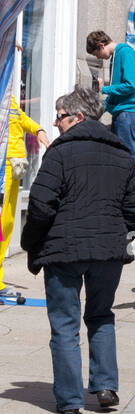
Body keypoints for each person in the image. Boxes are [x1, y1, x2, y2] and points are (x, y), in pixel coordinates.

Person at [21, 87, 135, 414]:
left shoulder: (60, 153)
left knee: (65, 323)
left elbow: (41, 204)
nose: (55, 123)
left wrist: (31, 242)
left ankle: (70, 399)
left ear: (77, 117)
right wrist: (122, 236)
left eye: (59, 116)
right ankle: (105, 386)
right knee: (101, 315)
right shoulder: (122, 152)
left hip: (64, 250)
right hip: (107, 251)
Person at [0, 96, 49, 299]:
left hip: (15, 167)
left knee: (7, 223)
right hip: (3, 168)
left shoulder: (8, 95)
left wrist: (38, 130)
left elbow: (19, 117)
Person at [85, 30, 135, 162]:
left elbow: (131, 85)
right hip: (124, 111)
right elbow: (120, 90)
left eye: (96, 54)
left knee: (127, 155)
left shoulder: (125, 53)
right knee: (119, 155)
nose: (98, 58)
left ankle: (133, 177)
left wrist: (105, 89)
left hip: (129, 111)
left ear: (101, 45)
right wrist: (102, 107)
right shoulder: (117, 56)